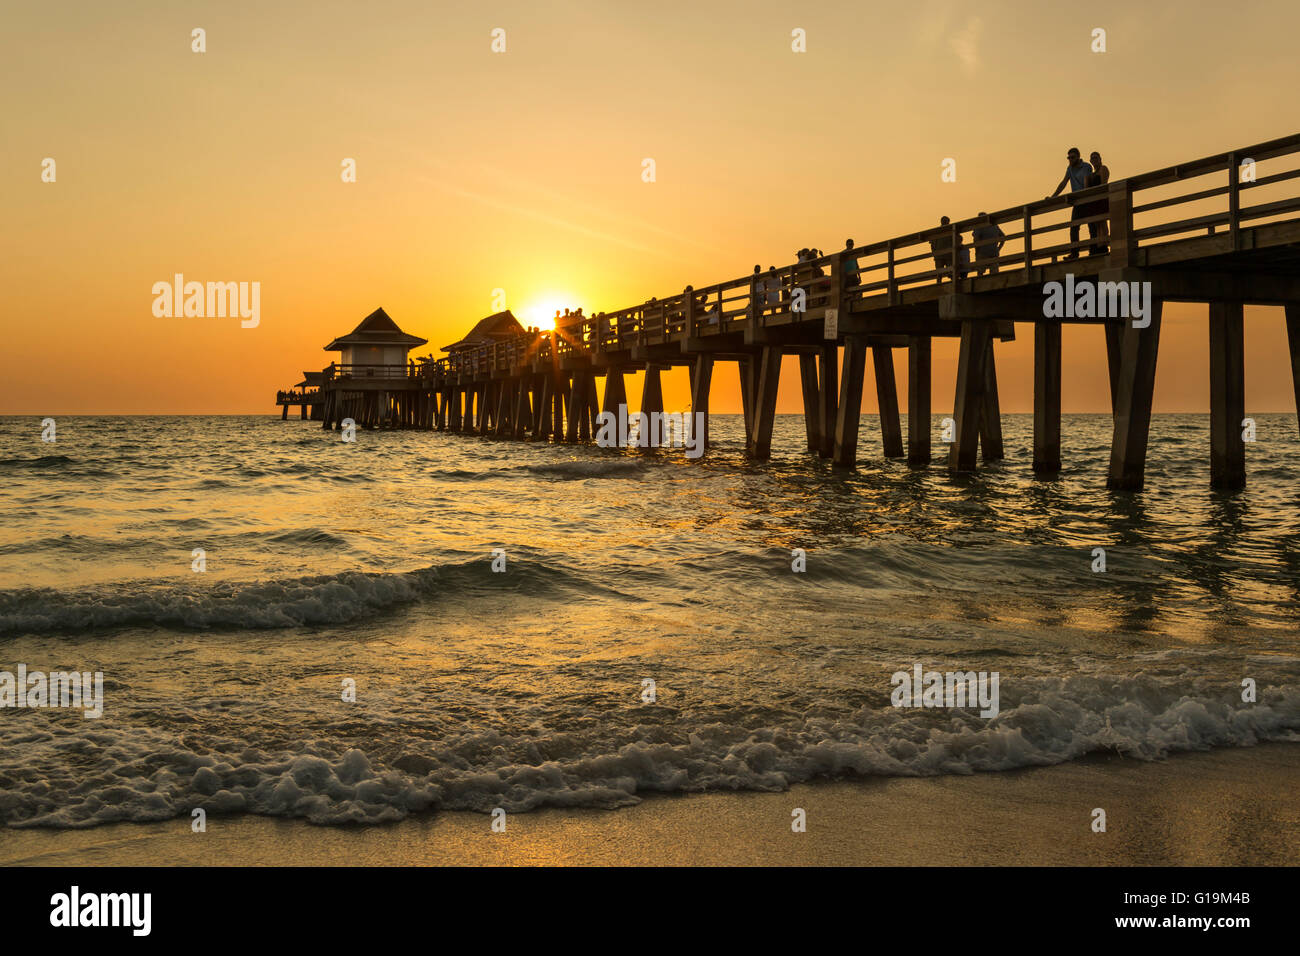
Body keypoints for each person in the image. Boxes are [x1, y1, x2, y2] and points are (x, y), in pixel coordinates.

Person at [1049, 147, 1095, 260]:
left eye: (1072, 157)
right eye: (1068, 157)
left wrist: (1084, 193)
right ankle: (1074, 253)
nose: (1070, 159)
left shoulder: (1086, 166)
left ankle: (1093, 251)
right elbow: (1063, 183)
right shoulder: (1070, 169)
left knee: (1092, 226)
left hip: (1087, 200)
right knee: (1074, 228)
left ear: (1078, 157)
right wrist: (1053, 197)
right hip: (1077, 202)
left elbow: (1087, 181)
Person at [1082, 151, 1111, 255]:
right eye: (1092, 159)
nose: (1094, 160)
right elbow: (1086, 188)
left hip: (1101, 198)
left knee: (1102, 222)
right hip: (1093, 201)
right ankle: (1097, 246)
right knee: (1096, 224)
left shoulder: (1103, 169)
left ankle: (1103, 246)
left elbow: (1103, 183)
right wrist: (1087, 177)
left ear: (1100, 159)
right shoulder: (1091, 175)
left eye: (1095, 158)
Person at [930, 216, 954, 282]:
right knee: (940, 273)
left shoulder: (950, 230)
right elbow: (933, 244)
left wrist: (934, 253)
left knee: (950, 272)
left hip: (946, 255)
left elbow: (932, 244)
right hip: (943, 256)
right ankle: (940, 284)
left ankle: (951, 283)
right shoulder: (951, 230)